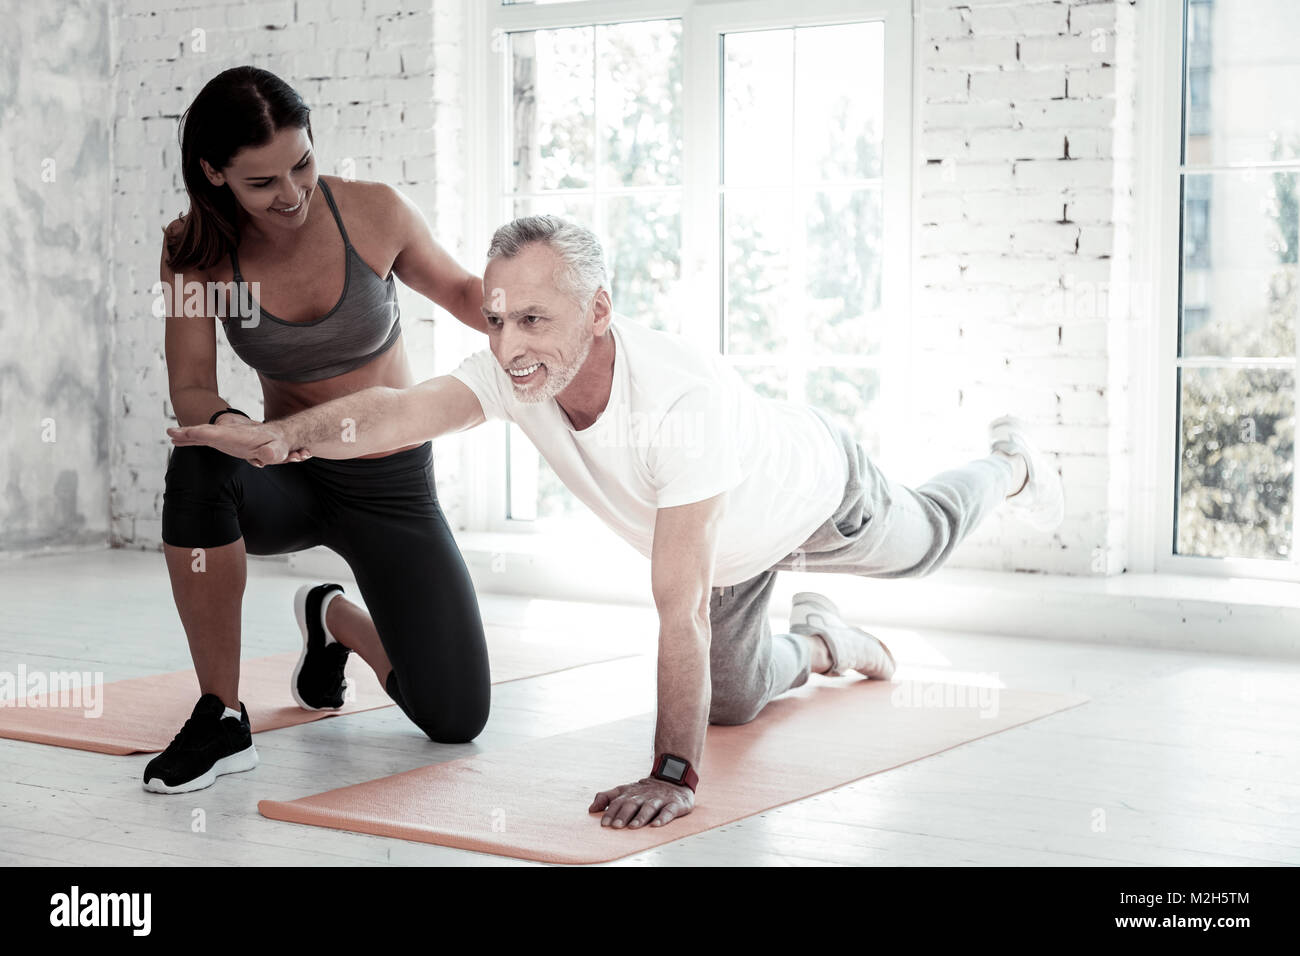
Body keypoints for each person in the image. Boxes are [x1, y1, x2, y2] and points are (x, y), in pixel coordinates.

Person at [168, 215, 1066, 829]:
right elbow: (394, 414)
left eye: (533, 318)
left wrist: (671, 775)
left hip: (819, 496)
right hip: (723, 546)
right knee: (741, 700)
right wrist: (282, 436)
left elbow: (676, 611)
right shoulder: (512, 376)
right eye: (494, 320)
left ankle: (1009, 463)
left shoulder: (680, 400)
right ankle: (827, 642)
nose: (510, 343)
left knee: (929, 544)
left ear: (600, 311)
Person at [146, 66, 492, 794]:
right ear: (214, 174)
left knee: (455, 717)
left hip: (392, 484)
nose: (293, 193)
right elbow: (191, 387)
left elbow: (465, 294)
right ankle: (221, 714)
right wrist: (239, 430)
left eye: (302, 163)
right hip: (293, 479)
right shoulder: (193, 250)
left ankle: (335, 620)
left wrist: (539, 313)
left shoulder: (373, 212)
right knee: (201, 461)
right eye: (262, 182)